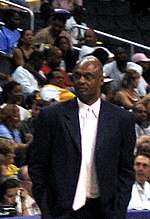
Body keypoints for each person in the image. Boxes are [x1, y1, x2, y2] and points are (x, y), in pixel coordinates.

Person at [28, 55, 136, 219]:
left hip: (105, 211)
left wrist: (118, 208)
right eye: (77, 76)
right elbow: (37, 165)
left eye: (88, 76)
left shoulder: (122, 119)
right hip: (62, 211)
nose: (81, 81)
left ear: (101, 81)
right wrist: (47, 206)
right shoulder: (51, 116)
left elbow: (126, 169)